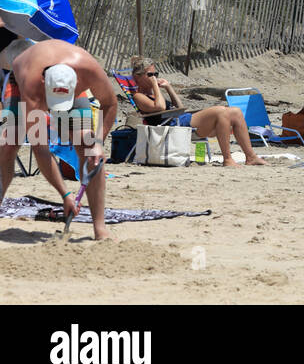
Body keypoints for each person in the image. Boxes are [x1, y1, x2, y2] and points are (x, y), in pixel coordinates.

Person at [0, 39, 117, 240]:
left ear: (78, 82)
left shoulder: (89, 69)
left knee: (89, 149)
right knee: (8, 143)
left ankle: (100, 228)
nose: (53, 108)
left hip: (64, 80)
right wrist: (65, 195)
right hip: (21, 84)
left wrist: (98, 143)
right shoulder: (31, 84)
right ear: (44, 81)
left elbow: (110, 103)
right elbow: (41, 149)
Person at [128, 57, 267, 168]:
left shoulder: (154, 94)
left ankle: (251, 157)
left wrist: (169, 88)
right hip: (174, 127)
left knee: (236, 112)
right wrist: (155, 86)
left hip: (182, 120)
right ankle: (228, 159)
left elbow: (180, 107)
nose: (154, 77)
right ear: (138, 77)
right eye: (150, 75)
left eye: (155, 74)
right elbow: (159, 107)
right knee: (221, 112)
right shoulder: (138, 96)